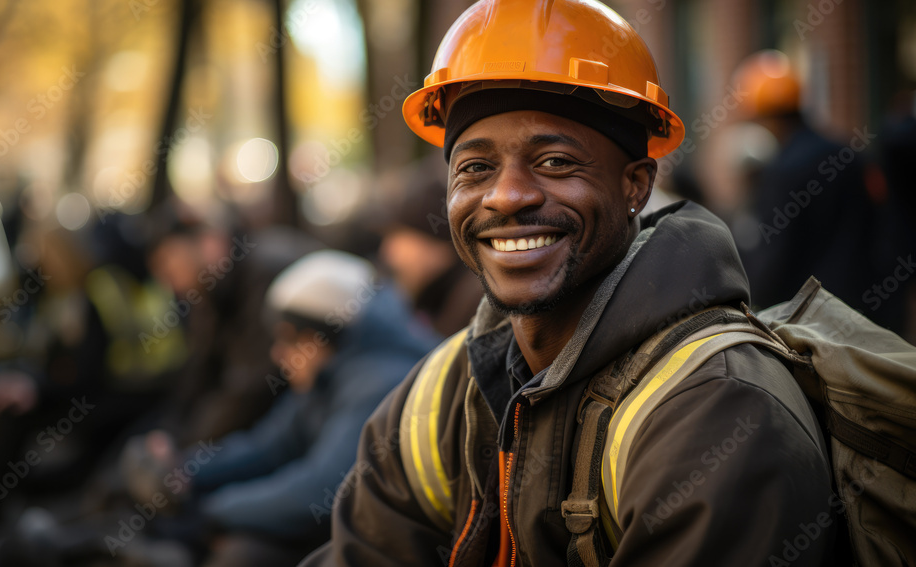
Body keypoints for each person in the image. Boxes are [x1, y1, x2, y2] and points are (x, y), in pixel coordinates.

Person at [301, 1, 838, 566]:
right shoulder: (444, 392)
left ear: (635, 185)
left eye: (555, 162)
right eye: (474, 168)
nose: (507, 196)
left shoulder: (719, 410)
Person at [123, 250, 437, 566]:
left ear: (322, 337)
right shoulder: (331, 374)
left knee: (244, 554)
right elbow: (267, 447)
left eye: (288, 339)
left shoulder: (379, 384)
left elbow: (320, 492)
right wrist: (183, 472)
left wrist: (208, 512)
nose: (277, 354)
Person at [730, 50, 879, 315]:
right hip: (864, 309)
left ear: (766, 118)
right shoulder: (848, 155)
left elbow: (772, 263)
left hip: (814, 323)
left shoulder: (782, 172)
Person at [378, 154, 483, 336]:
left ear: (438, 247)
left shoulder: (474, 307)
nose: (388, 252)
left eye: (399, 238)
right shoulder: (436, 300)